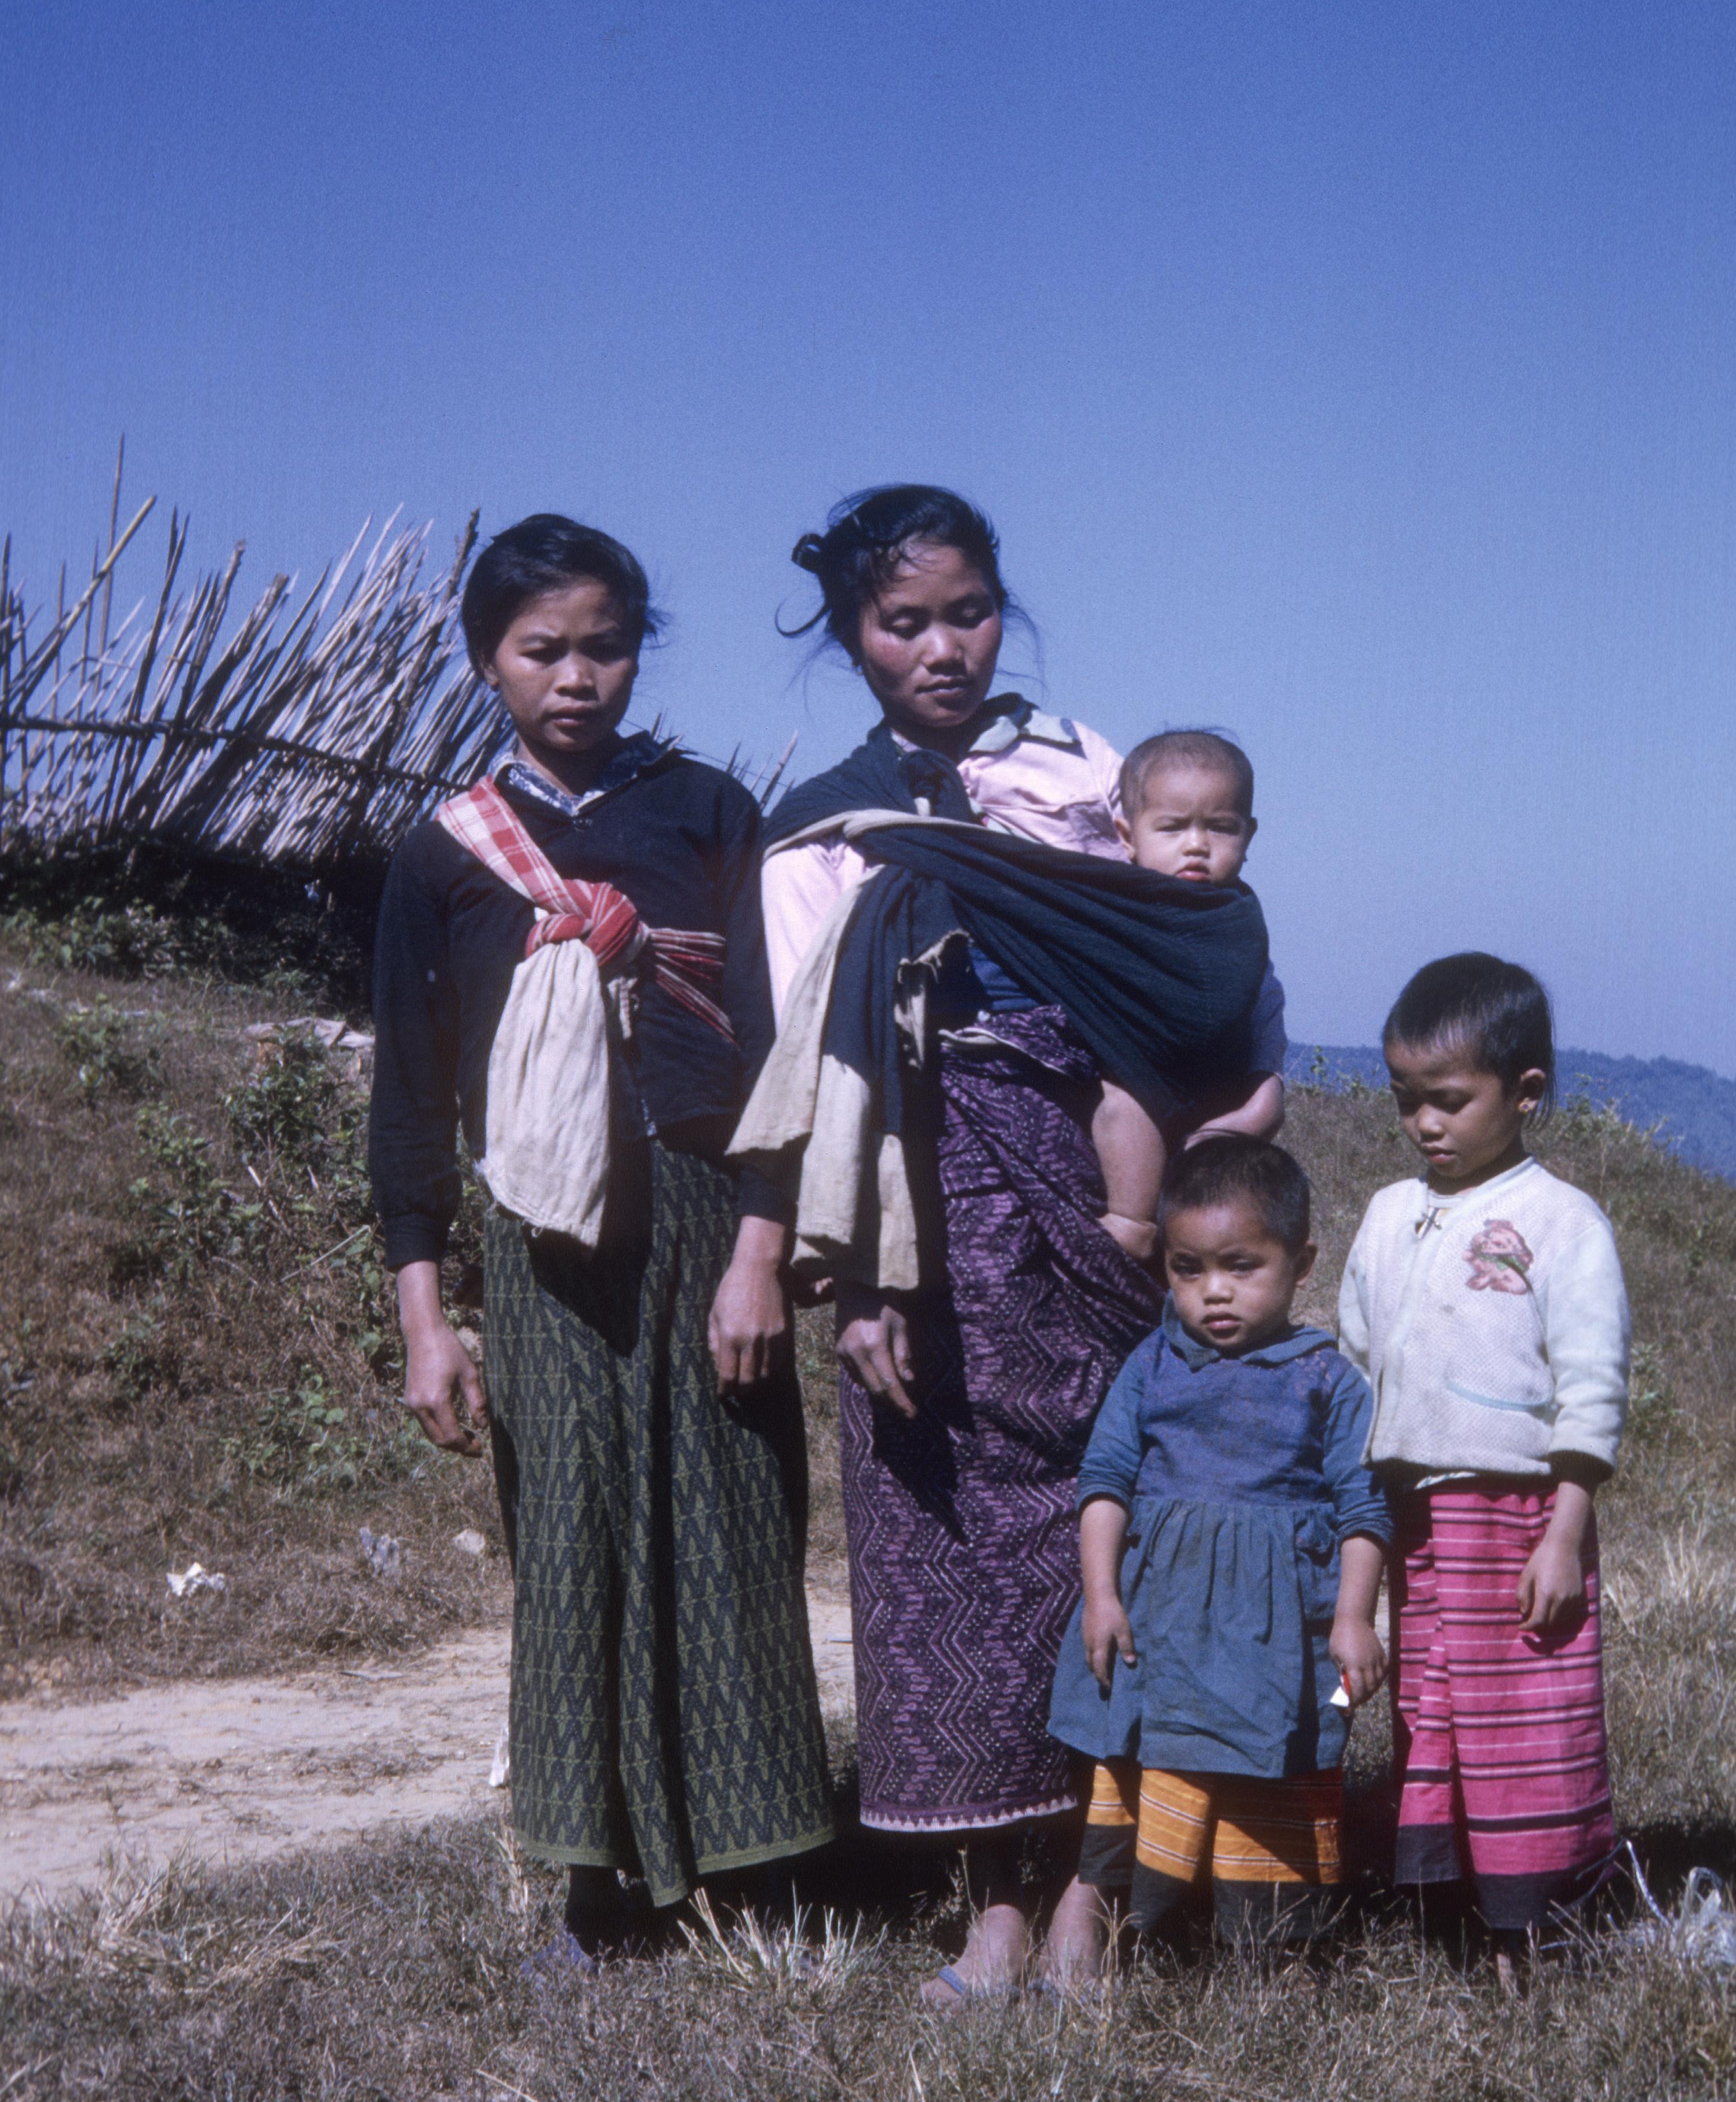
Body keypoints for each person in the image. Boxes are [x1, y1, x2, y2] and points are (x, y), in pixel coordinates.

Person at [748, 485, 1271, 2003]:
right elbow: (811, 1073)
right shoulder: (827, 835)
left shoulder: (1087, 771)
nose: (942, 646)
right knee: (946, 1562)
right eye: (903, 621)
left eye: (966, 611)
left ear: (1001, 606)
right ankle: (988, 1904)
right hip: (916, 1213)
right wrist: (848, 1283)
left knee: (1102, 1535)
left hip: (1098, 1196)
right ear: (854, 636)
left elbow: (1192, 954)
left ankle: (1089, 1906)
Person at [368, 513, 833, 1954]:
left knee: (732, 1519)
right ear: (486, 661)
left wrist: (763, 1250)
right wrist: (426, 1317)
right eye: (541, 650)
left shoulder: (702, 812)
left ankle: (757, 1867)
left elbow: (775, 1052)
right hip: (537, 1231)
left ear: (642, 651)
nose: (577, 677)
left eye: (606, 645)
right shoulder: (444, 855)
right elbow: (406, 1095)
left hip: (704, 1212)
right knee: (568, 1536)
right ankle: (591, 1879)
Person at [1337, 953, 1631, 1980]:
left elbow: (1590, 1384)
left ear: (1525, 1092)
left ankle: (1539, 1924)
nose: (1424, 1123)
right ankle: (1448, 1914)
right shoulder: (1385, 1215)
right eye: (1405, 1099)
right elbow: (1356, 1359)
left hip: (1517, 1517)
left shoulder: (1562, 1222)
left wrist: (1562, 1530)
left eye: (1448, 1100)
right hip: (1413, 1514)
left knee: (1525, 1723)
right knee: (1431, 1706)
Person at [1047, 1135, 1387, 1965]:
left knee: (1285, 1754)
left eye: (1241, 1265)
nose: (1214, 1292)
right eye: (1188, 1268)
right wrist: (1102, 1596)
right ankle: (1129, 1928)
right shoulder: (1153, 1364)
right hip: (1160, 1621)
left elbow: (1363, 1509)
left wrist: (1354, 1617)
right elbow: (1105, 1484)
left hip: (1274, 1636)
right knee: (1139, 1753)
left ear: (1302, 1262)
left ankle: (1270, 1950)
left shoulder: (1330, 1382)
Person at [1089, 729, 1289, 1263]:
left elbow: (1266, 1027)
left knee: (1267, 1100)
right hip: (1139, 1088)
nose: (1197, 844)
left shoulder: (1240, 932)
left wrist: (1234, 1124)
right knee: (1123, 1101)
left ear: (1248, 835)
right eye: (1173, 827)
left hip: (1220, 1101)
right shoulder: (1112, 911)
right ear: (1127, 837)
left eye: (1221, 828)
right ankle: (1131, 1221)